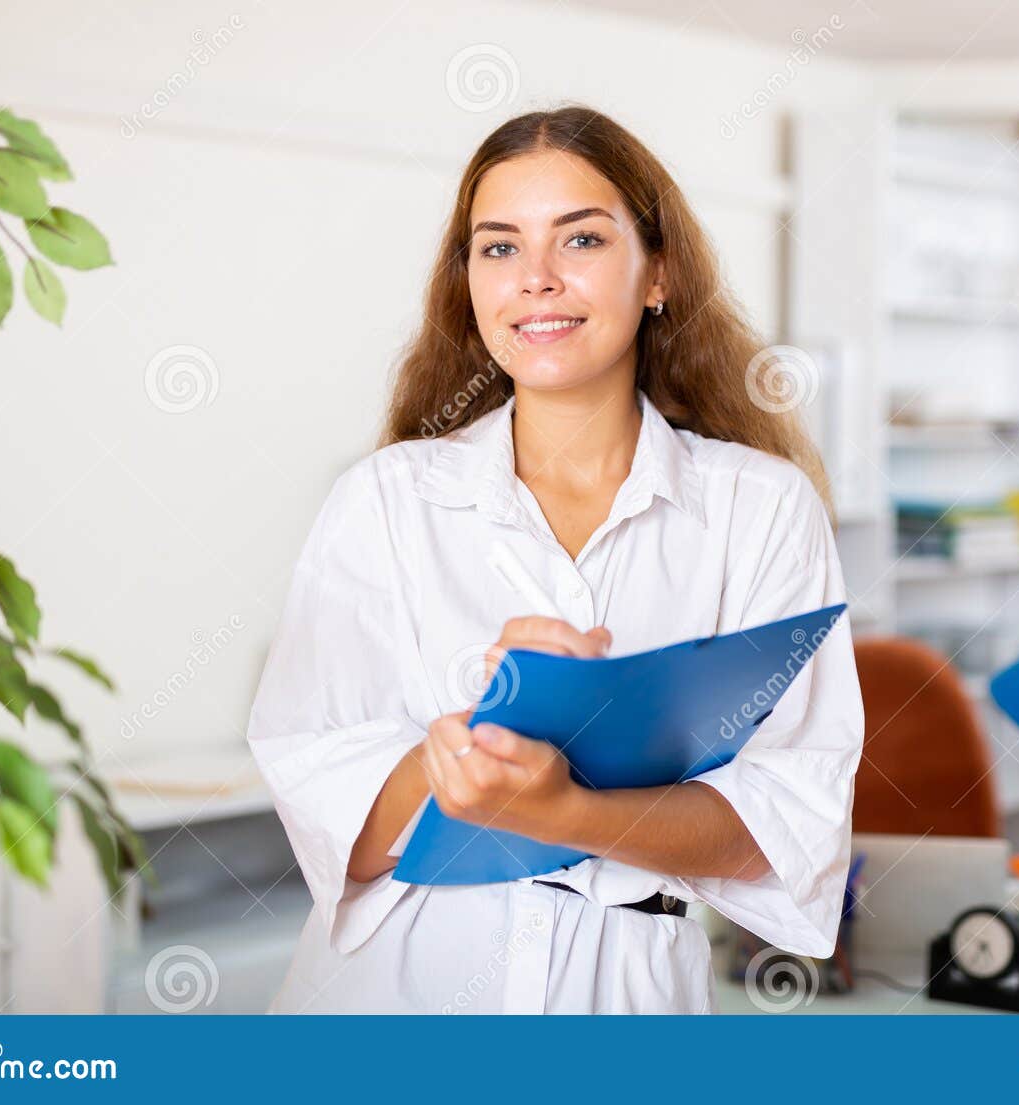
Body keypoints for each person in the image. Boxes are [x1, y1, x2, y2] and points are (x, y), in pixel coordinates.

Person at [245, 104, 865, 1013]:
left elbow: (783, 823)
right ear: (467, 284)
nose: (535, 278)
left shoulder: (760, 508)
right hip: (393, 990)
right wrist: (473, 738)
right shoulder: (386, 499)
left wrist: (568, 813)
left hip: (625, 993)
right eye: (498, 248)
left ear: (658, 272)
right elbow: (344, 830)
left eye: (580, 239)